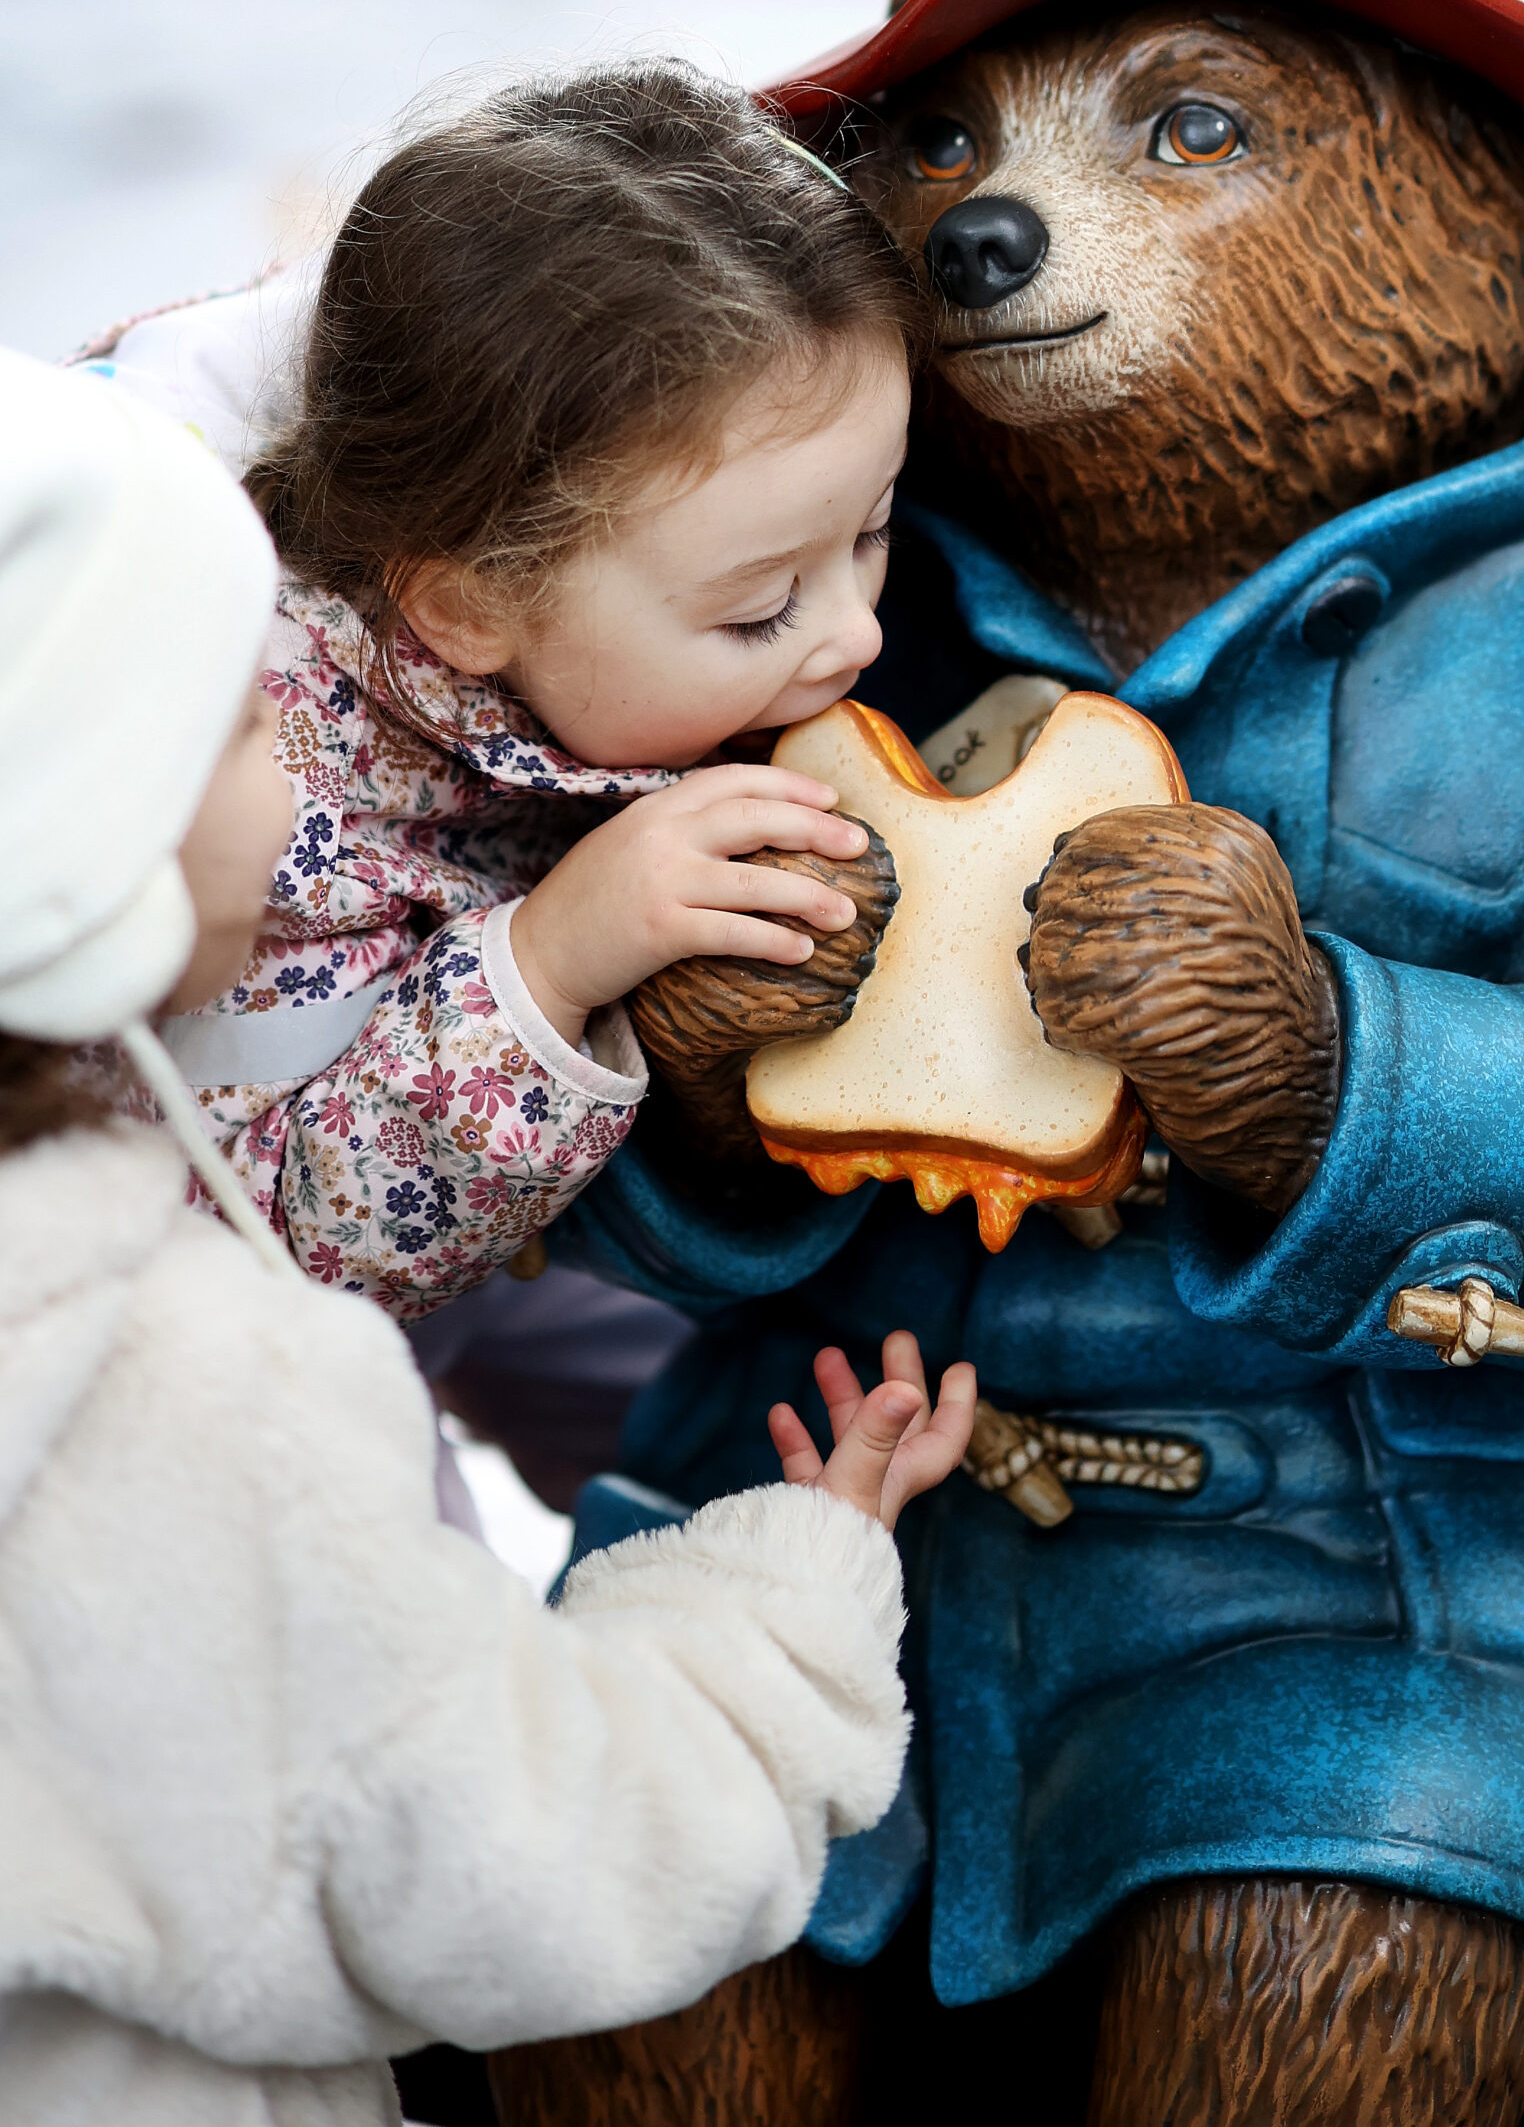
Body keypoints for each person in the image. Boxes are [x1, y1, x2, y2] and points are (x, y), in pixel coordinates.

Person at [0, 350, 975, 2125]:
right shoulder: (200, 1382)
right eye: (239, 727)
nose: (300, 784)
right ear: (75, 859)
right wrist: (796, 1592)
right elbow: (534, 1864)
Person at [116, 62, 928, 1318]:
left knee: (616, 1361)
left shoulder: (617, 488)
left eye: (874, 528)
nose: (854, 635)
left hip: (506, 1144)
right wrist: (552, 957)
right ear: (468, 606)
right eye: (762, 605)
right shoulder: (242, 800)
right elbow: (260, 1253)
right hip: (286, 1252)